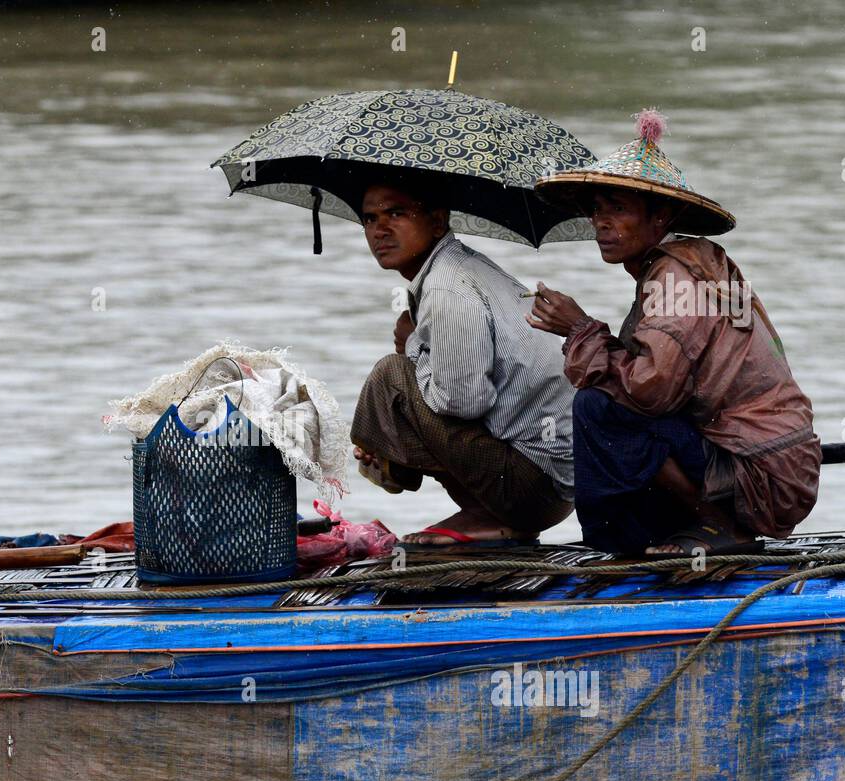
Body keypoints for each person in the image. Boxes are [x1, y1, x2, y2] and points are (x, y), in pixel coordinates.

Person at [527, 110, 820, 555]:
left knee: (598, 406)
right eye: (597, 210)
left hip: (761, 474)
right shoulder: (686, 266)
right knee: (606, 400)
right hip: (777, 462)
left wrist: (580, 329)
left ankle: (717, 524)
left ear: (660, 216)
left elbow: (650, 391)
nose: (601, 223)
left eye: (618, 209)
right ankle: (689, 523)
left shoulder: (674, 277)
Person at [349, 177, 575, 547]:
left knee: (391, 376)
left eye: (396, 213)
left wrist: (413, 347)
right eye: (370, 219)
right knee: (400, 388)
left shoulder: (447, 287)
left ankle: (485, 514)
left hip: (532, 489)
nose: (379, 230)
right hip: (554, 486)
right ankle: (479, 510)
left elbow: (464, 402)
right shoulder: (458, 268)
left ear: (438, 222)